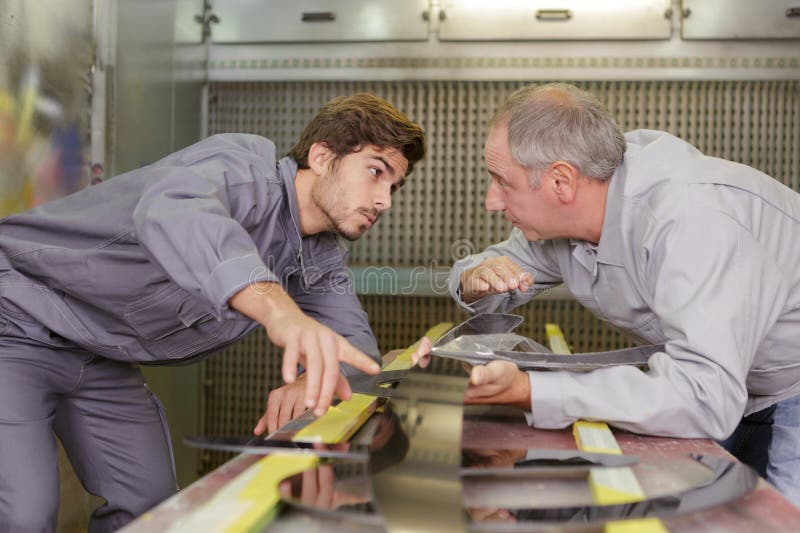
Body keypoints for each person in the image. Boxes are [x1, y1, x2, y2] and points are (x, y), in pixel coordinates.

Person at [0, 92, 426, 532]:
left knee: (152, 510)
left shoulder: (318, 256)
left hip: (97, 352)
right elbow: (172, 210)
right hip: (16, 320)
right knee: (25, 514)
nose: (384, 201)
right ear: (321, 156)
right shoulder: (244, 168)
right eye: (376, 172)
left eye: (393, 186)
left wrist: (312, 379)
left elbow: (357, 352)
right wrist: (278, 309)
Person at [443, 82, 800, 507]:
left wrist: (533, 391)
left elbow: (706, 395)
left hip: (786, 385)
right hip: (725, 387)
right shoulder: (570, 219)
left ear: (561, 180)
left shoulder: (691, 219)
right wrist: (474, 277)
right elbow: (488, 272)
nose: (491, 201)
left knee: (775, 515)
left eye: (503, 182)